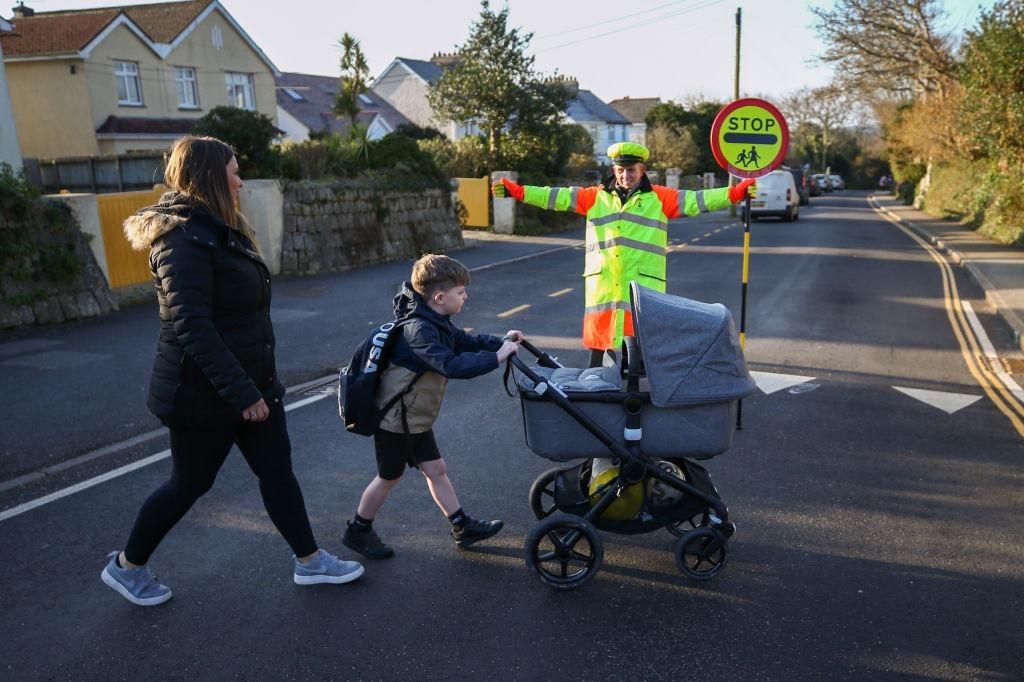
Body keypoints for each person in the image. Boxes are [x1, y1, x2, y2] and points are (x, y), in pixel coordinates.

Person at [102, 135, 363, 606]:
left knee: (277, 472)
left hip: (253, 384)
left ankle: (310, 560)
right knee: (190, 483)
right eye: (235, 172)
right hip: (202, 394)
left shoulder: (221, 229)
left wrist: (257, 387)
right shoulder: (180, 241)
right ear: (210, 176)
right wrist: (243, 394)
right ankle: (126, 566)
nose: (241, 181)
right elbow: (193, 327)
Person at [493, 142, 756, 366]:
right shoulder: (595, 197)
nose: (625, 175)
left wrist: (735, 193)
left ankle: (638, 401)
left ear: (642, 170)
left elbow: (698, 200)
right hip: (605, 289)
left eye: (631, 170)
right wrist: (517, 191)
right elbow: (554, 197)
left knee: (637, 354)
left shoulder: (658, 198)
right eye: (621, 170)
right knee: (599, 357)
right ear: (613, 170)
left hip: (642, 288)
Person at [341, 254, 521, 560]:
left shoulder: (435, 322)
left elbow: (465, 342)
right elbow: (451, 364)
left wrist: (501, 342)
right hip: (396, 420)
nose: (466, 296)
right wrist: (497, 357)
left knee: (436, 469)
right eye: (461, 292)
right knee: (388, 476)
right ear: (439, 297)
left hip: (413, 417)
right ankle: (358, 530)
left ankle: (461, 526)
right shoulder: (419, 332)